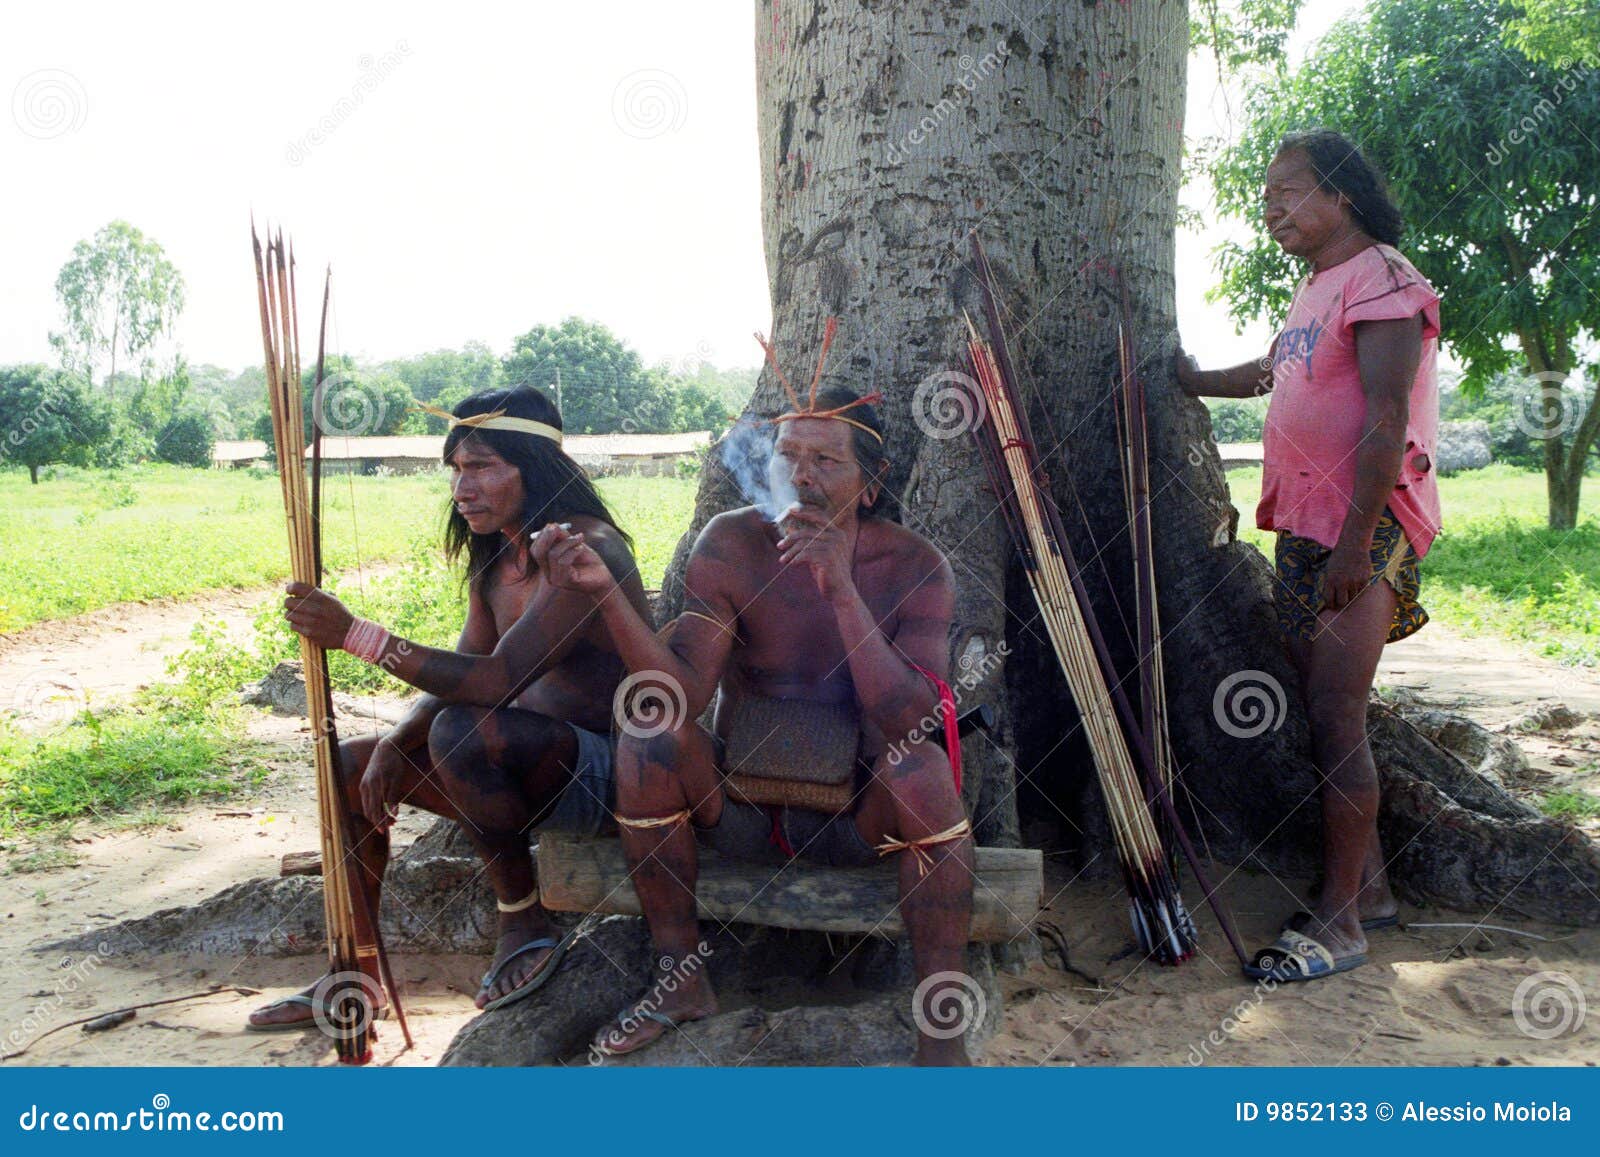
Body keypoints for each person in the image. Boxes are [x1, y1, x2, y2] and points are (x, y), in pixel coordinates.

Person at [540, 382, 977, 1065]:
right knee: (648, 735)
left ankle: (940, 1038)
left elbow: (912, 719)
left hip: (855, 823)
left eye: (826, 460)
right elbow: (678, 695)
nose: (799, 474)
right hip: (740, 813)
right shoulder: (732, 544)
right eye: (786, 455)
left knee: (917, 766)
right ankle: (680, 980)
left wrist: (841, 590)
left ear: (871, 483)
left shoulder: (916, 568)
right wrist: (604, 597)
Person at [245, 385, 652, 1029]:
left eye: (484, 466)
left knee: (464, 732)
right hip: (529, 769)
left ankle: (523, 919)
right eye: (457, 470)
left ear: (535, 464)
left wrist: (357, 635)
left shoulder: (584, 551)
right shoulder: (497, 563)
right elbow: (461, 674)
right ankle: (356, 973)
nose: (463, 488)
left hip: (613, 780)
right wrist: (396, 741)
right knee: (346, 768)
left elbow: (494, 680)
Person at [1177, 128, 1442, 982]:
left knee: (1335, 719)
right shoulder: (1319, 285)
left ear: (1343, 195)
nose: (1272, 208)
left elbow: (1386, 416)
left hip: (1363, 528)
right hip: (1306, 523)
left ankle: (1340, 927)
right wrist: (1191, 380)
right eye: (1266, 195)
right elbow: (1275, 370)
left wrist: (1358, 544)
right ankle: (1369, 891)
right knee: (1320, 708)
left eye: (1289, 191)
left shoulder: (1388, 282)